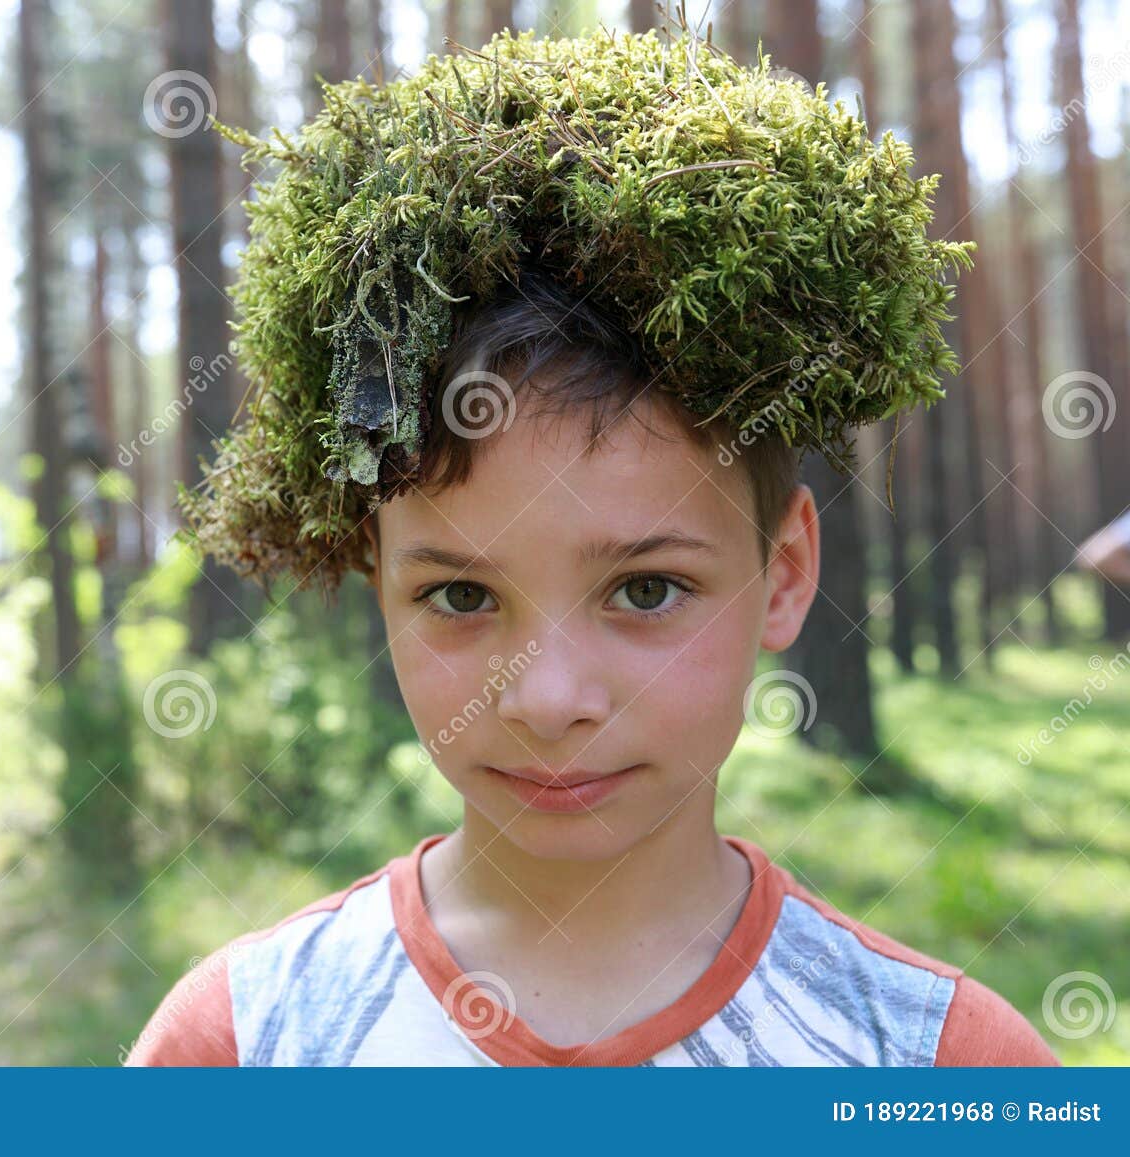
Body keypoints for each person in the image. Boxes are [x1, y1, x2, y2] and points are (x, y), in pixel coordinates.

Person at [125, 27, 1059, 1067]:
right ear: (370, 568)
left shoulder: (944, 1063)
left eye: (646, 587)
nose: (545, 697)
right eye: (462, 597)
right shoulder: (240, 1044)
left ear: (784, 571)